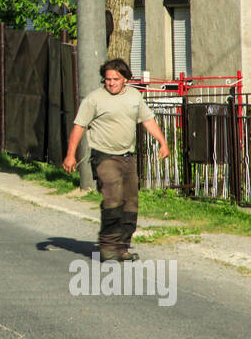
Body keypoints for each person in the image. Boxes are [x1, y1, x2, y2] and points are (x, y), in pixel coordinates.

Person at [63, 58, 171, 262]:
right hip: (104, 156)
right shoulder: (94, 99)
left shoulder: (134, 97)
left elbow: (148, 120)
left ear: (125, 80)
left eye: (115, 79)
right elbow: (79, 126)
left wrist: (163, 143)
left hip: (127, 157)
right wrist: (70, 155)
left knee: (130, 202)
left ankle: (122, 247)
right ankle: (108, 246)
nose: (111, 83)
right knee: (113, 197)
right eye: (107, 79)